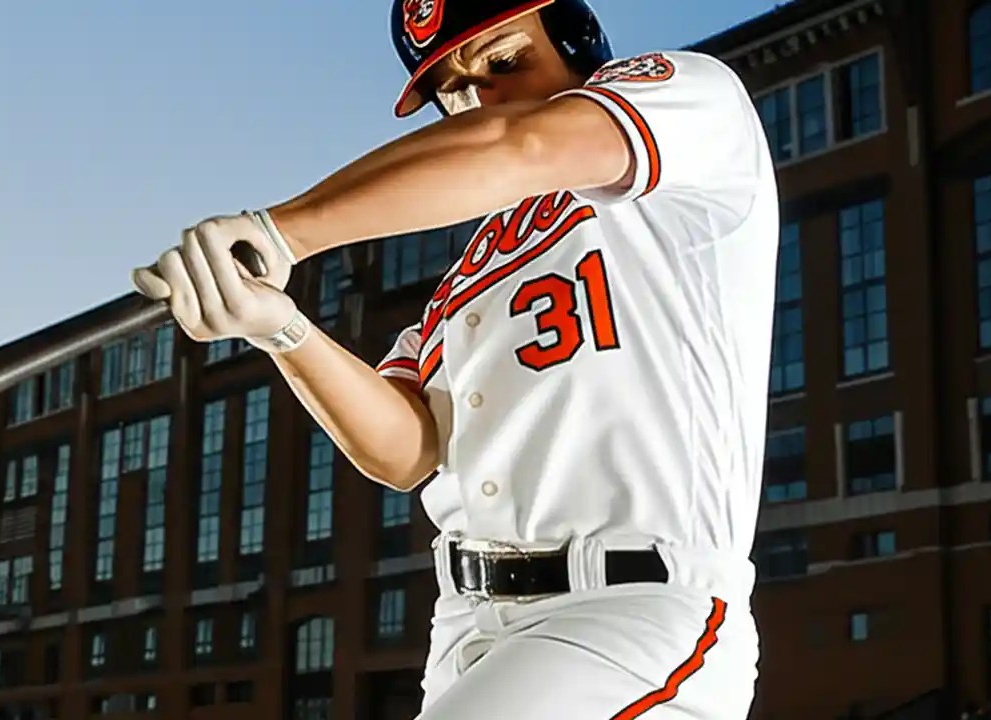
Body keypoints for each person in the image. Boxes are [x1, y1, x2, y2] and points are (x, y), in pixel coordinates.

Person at [131, 1, 780, 717]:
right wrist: (282, 328)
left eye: (504, 62)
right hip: (470, 625)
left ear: (578, 40)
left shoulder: (686, 104)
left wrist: (281, 232)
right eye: (454, 92)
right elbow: (405, 450)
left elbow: (519, 146)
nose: (479, 101)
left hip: (629, 607)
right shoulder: (466, 280)